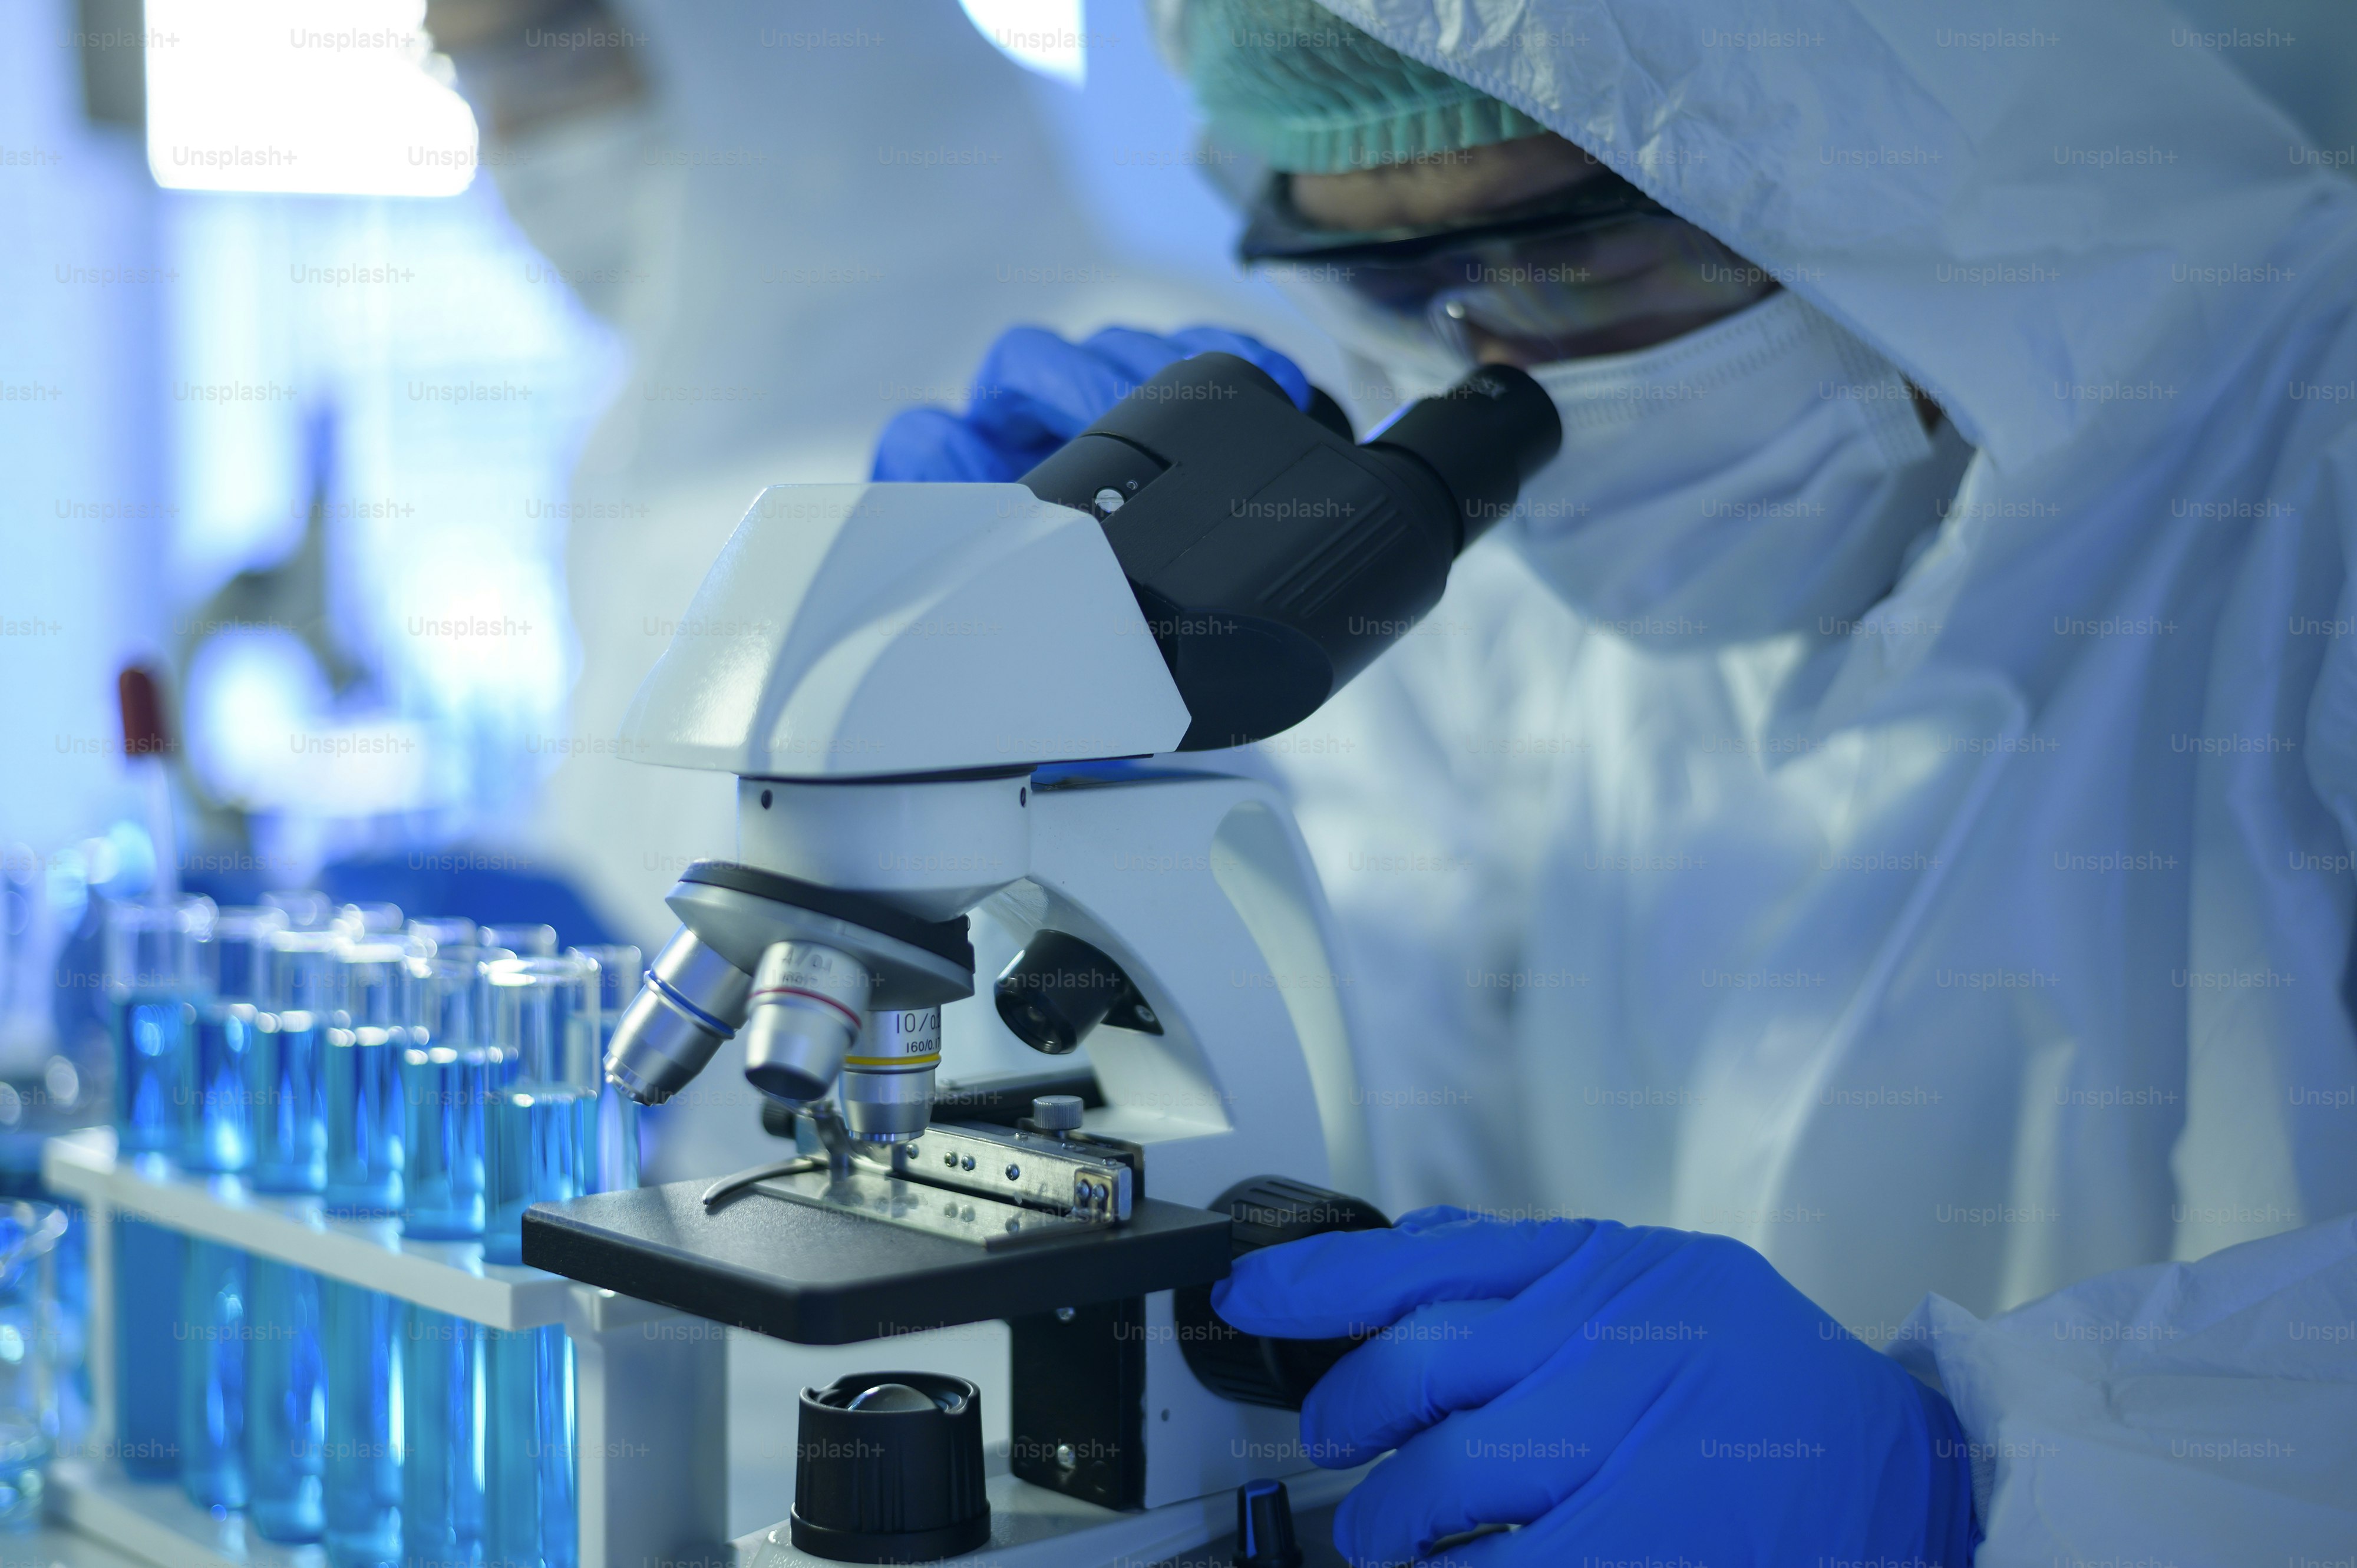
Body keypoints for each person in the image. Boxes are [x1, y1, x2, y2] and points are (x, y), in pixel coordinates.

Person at [878, 0, 2357, 1561]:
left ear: (1899, 155)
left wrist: (1995, 1484)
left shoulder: (2318, 483)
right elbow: (1363, 1187)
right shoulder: (1521, 608)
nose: (1491, 379)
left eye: (1570, 257)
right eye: (1394, 281)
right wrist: (1092, 835)